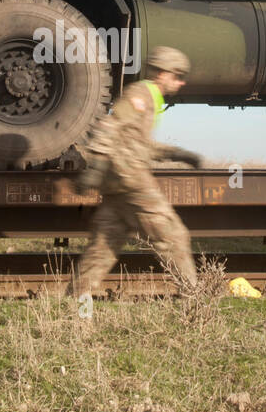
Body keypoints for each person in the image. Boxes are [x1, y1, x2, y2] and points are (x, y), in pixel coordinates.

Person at [70, 46, 204, 298]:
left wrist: (177, 153)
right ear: (163, 73)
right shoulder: (142, 93)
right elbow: (110, 124)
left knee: (102, 249)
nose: (180, 82)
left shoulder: (150, 97)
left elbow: (137, 142)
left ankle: (75, 308)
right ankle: (195, 302)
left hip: (116, 184)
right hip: (130, 179)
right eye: (177, 76)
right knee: (174, 236)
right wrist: (95, 164)